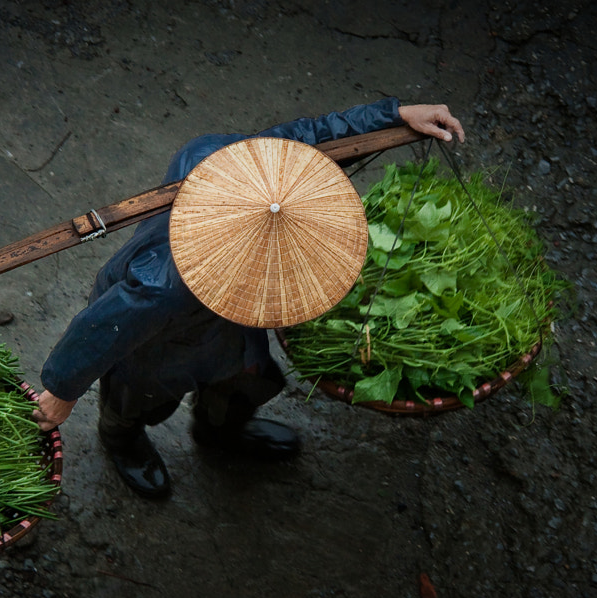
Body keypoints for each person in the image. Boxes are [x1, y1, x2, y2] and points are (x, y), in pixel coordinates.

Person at [32, 98, 465, 498]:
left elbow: (312, 136)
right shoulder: (161, 285)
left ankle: (219, 432)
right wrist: (62, 391)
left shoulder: (232, 158)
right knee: (137, 398)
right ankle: (122, 441)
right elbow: (104, 327)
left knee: (242, 378)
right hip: (160, 342)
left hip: (230, 323)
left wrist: (395, 115)